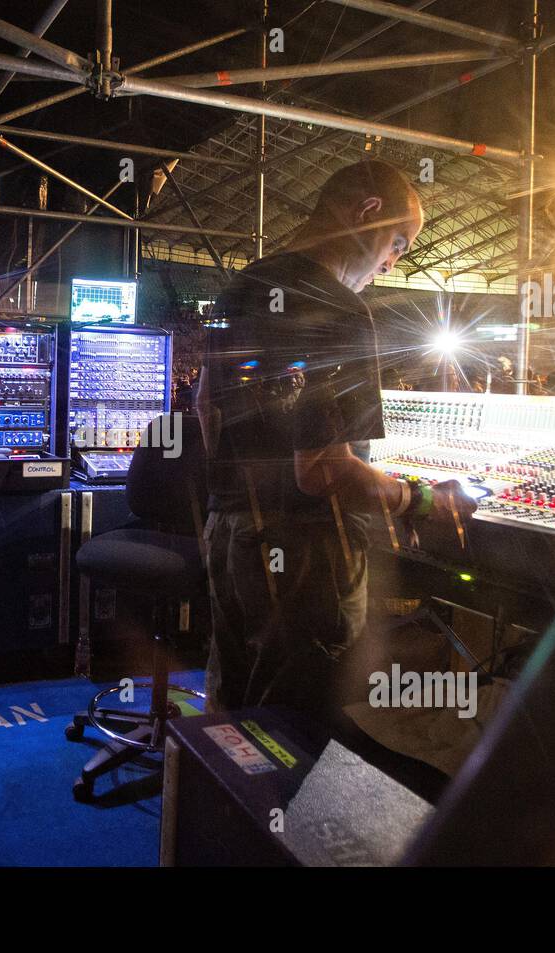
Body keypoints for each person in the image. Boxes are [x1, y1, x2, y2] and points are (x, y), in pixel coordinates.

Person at [196, 159, 478, 720]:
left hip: (227, 535)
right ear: (366, 212)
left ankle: (218, 804)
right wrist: (420, 499)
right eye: (398, 241)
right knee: (298, 722)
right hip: (304, 556)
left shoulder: (241, 286)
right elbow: (321, 471)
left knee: (231, 714)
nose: (393, 260)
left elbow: (206, 408)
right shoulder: (340, 310)